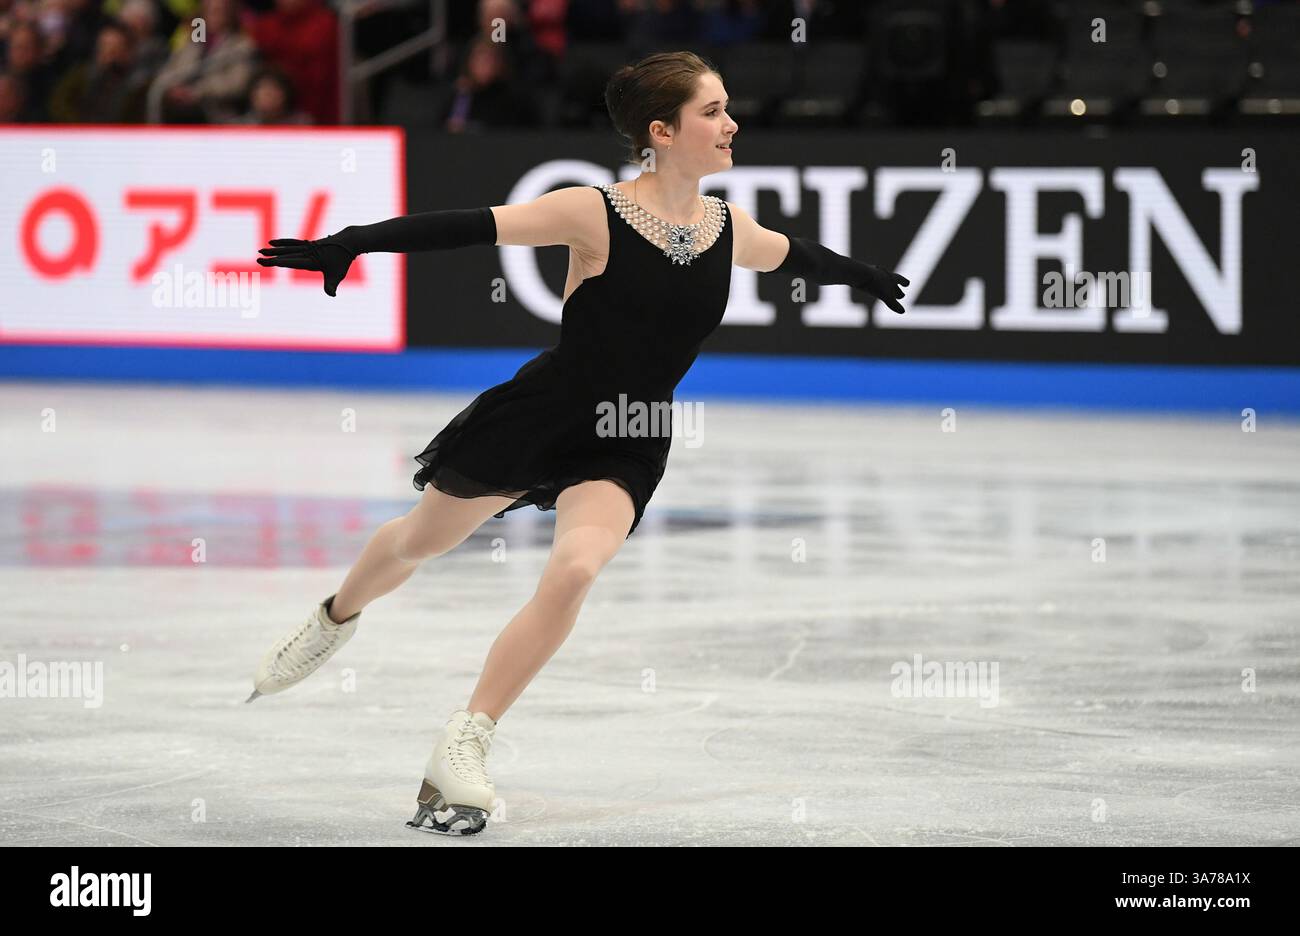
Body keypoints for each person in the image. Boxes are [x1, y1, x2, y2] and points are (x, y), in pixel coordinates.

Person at [247, 50, 908, 836]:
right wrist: (353, 241)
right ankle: (334, 614)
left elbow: (796, 255)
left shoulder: (731, 228)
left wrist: (864, 276)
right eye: (713, 112)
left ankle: (466, 740)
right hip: (546, 413)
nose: (731, 125)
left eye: (727, 108)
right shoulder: (595, 213)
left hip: (630, 435)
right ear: (662, 132)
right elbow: (470, 227)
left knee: (575, 569)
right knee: (422, 539)